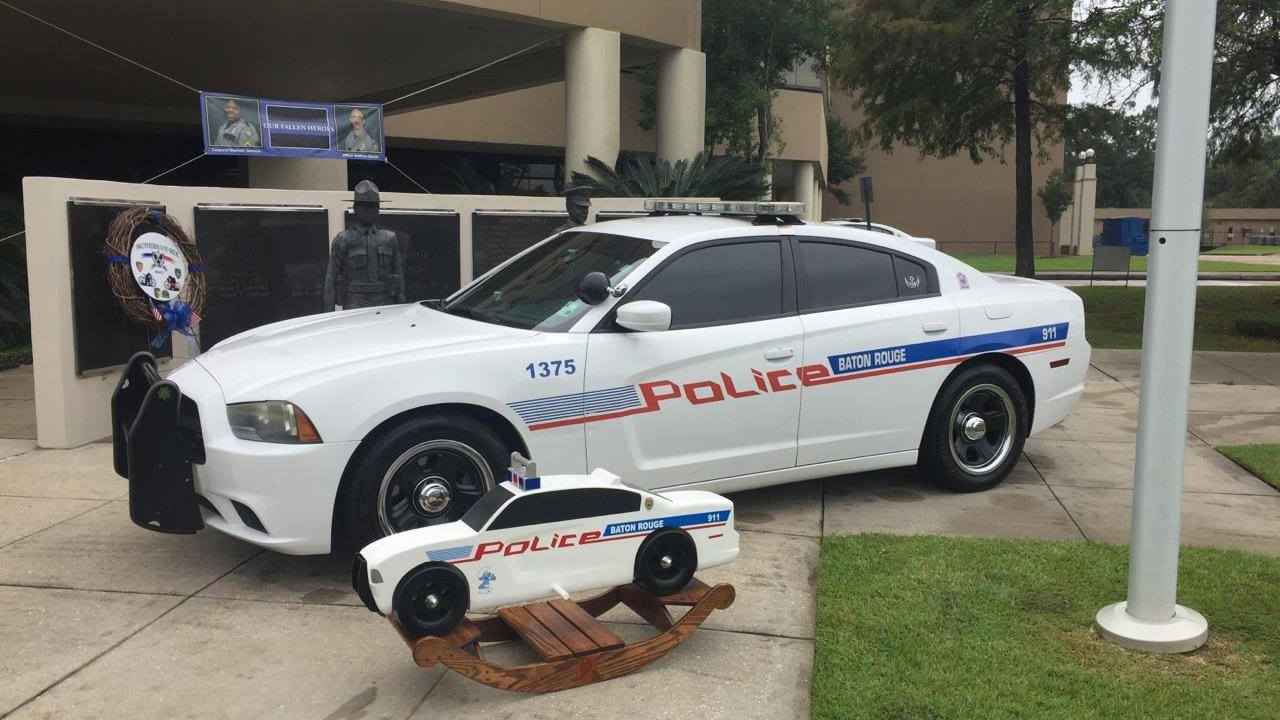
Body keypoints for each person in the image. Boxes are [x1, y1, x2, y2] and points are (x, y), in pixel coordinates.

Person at [323, 181, 405, 310]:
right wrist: (328, 314)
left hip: (385, 302)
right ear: (355, 208)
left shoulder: (390, 238)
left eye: (374, 206)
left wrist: (401, 308)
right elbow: (331, 279)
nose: (371, 210)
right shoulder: (343, 239)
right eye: (365, 206)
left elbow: (398, 276)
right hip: (355, 302)